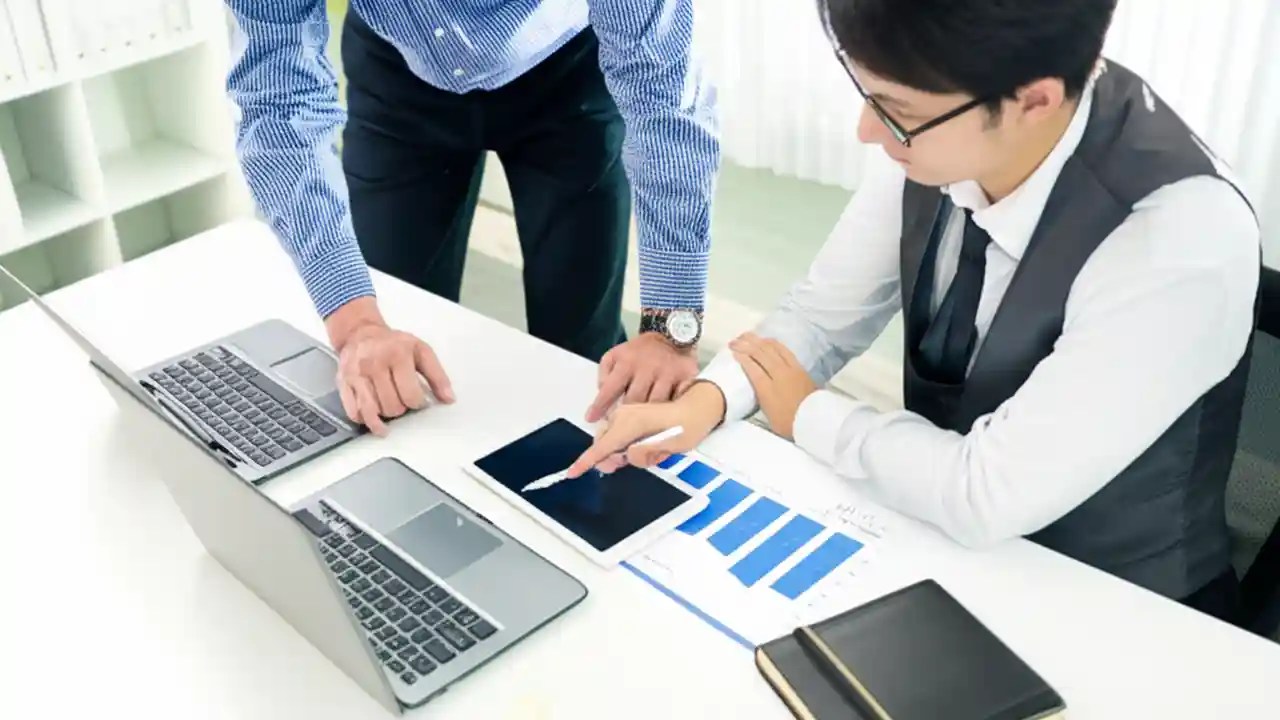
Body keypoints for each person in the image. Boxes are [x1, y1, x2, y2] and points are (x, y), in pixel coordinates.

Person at [569, 0, 1262, 621]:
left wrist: (807, 413)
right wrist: (710, 401)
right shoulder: (938, 119)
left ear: (1033, 101)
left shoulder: (1180, 239)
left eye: (895, 109)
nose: (869, 131)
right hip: (928, 540)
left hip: (1114, 611)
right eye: (867, 92)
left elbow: (985, 493)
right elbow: (819, 316)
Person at [223, 1, 720, 436]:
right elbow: (276, 102)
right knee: (390, 358)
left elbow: (664, 95)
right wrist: (355, 326)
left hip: (569, 76)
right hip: (397, 74)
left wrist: (670, 328)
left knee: (582, 346)